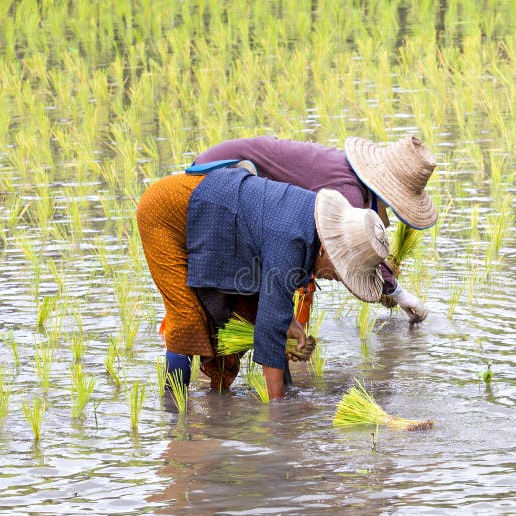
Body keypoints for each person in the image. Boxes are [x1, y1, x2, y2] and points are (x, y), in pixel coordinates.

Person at [136, 165, 389, 398]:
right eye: (340, 270)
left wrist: (288, 320)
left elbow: (272, 293)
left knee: (245, 313)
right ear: (325, 248)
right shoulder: (291, 240)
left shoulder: (308, 226)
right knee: (188, 318)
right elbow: (269, 330)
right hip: (165, 214)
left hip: (217, 216)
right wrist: (278, 415)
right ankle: (172, 406)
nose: (336, 278)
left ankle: (215, 404)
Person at [193, 135, 437, 324]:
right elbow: (345, 252)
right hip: (218, 176)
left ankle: (290, 349)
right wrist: (400, 294)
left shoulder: (345, 169)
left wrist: (382, 273)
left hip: (220, 169)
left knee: (298, 269)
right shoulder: (348, 191)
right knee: (239, 286)